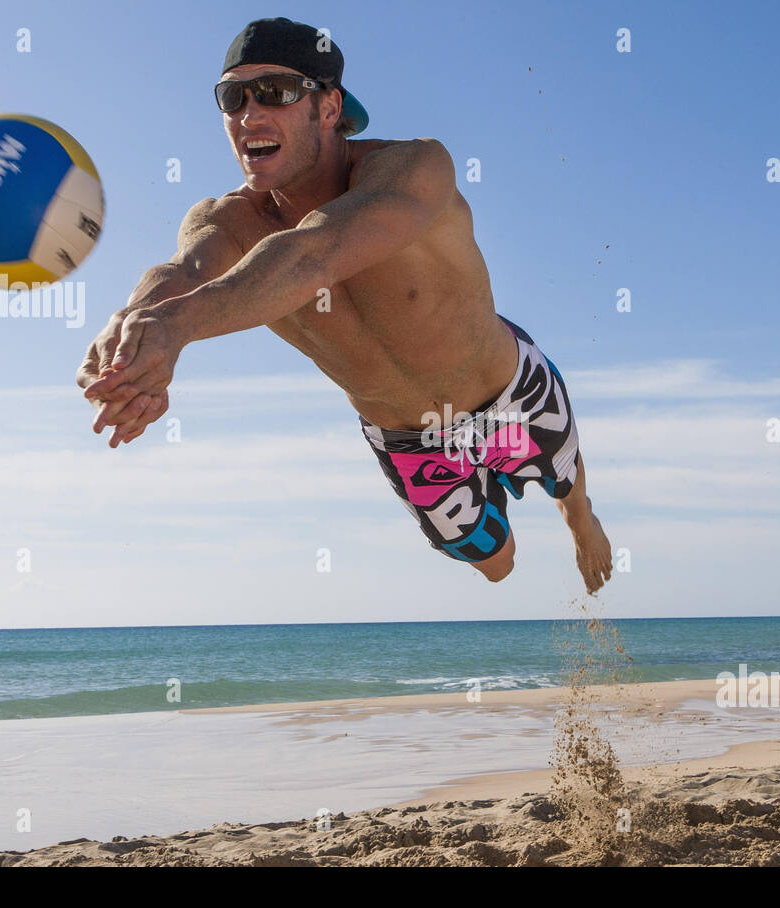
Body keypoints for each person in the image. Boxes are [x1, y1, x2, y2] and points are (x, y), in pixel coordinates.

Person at [77, 17, 612, 593]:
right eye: (233, 98)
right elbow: (184, 272)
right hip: (409, 438)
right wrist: (134, 327)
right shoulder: (229, 221)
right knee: (497, 567)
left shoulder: (414, 167)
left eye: (276, 93)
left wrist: (174, 325)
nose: (250, 115)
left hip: (507, 396)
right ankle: (501, 513)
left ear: (329, 108)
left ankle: (581, 523)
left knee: (566, 490)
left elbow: (316, 252)